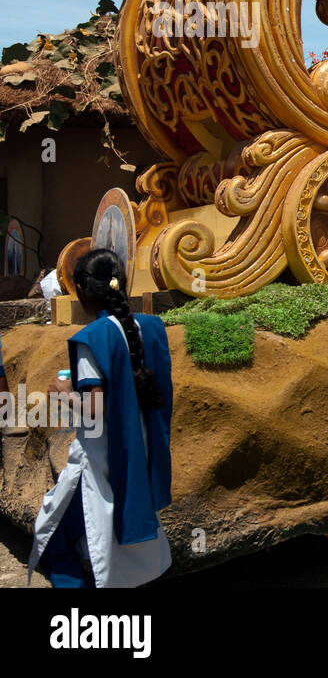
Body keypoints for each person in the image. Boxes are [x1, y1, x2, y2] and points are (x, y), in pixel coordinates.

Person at [28, 249, 173, 588]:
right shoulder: (152, 327)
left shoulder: (92, 338)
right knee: (113, 525)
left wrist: (63, 393)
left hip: (102, 454)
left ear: (80, 290)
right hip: (142, 444)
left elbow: (95, 409)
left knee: (69, 526)